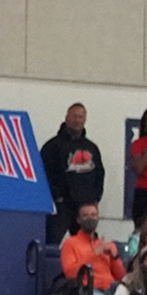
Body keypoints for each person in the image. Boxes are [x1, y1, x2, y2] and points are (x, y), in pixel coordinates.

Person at [40, 103, 104, 242]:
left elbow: (99, 175)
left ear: (85, 120)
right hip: (61, 208)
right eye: (74, 116)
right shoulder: (51, 147)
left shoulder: (91, 148)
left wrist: (95, 199)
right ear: (66, 118)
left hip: (85, 207)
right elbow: (44, 175)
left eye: (81, 117)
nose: (77, 120)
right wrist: (58, 197)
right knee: (51, 243)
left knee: (88, 245)